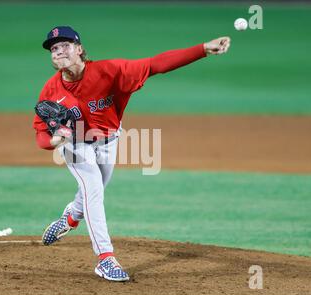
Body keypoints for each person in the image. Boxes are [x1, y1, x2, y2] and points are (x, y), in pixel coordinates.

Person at [33, 26, 230, 281]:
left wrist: (202, 49)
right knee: (93, 189)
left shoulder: (110, 71)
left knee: (96, 189)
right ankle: (105, 258)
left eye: (65, 45)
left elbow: (155, 64)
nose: (58, 51)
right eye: (54, 49)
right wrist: (55, 140)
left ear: (79, 49)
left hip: (109, 139)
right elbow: (40, 135)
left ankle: (71, 217)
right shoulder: (51, 91)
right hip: (76, 145)